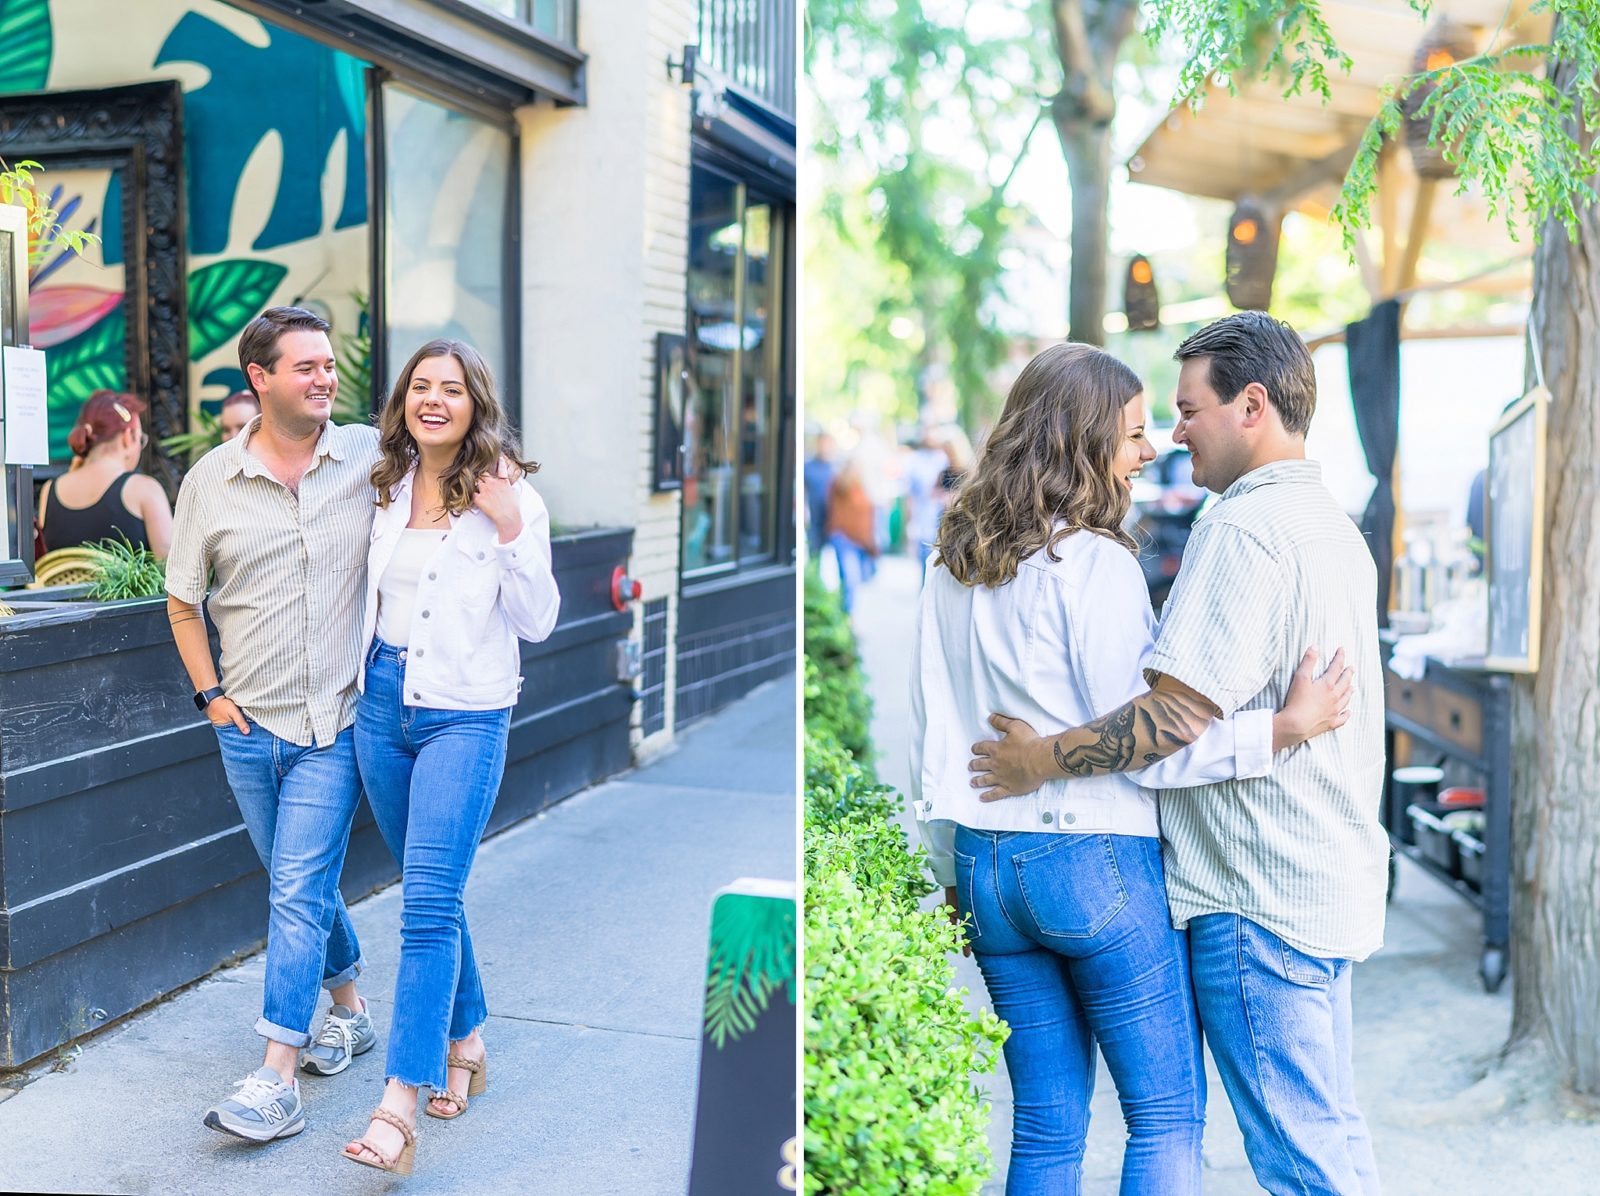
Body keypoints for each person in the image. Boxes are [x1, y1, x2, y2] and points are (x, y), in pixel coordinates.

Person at [913, 341, 1351, 1195]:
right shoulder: (1097, 563)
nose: (1150, 450)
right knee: (1165, 1118)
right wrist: (1284, 728)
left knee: (1043, 1128)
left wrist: (951, 870)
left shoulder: (951, 561)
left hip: (984, 862)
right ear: (1081, 440)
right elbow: (1155, 742)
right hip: (1093, 861)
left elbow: (930, 731)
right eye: (1135, 433)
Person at [340, 339, 559, 1175]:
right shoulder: (386, 486)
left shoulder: (510, 496)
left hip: (464, 716)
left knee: (426, 908)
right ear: (404, 402)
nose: (434, 400)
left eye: (452, 389)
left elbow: (538, 619)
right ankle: (466, 1034)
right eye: (421, 387)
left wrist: (506, 526)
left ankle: (399, 1103)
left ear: (476, 405)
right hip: (381, 706)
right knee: (432, 889)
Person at [166, 306, 382, 1141]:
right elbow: (184, 602)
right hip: (248, 727)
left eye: (329, 365)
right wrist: (211, 697)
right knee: (302, 885)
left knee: (295, 889)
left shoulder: (368, 453)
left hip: (335, 722)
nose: (326, 378)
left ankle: (275, 1077)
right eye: (307, 367)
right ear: (261, 378)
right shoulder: (211, 481)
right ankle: (351, 1012)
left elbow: (454, 462)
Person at [38, 389, 173, 557]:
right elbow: (172, 570)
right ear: (128, 437)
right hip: (125, 586)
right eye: (140, 439)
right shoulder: (145, 490)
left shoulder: (49, 490)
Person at [824, 456, 877, 613]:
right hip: (844, 538)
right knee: (850, 579)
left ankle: (845, 613)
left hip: (862, 541)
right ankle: (848, 616)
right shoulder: (840, 485)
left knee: (858, 579)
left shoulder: (863, 489)